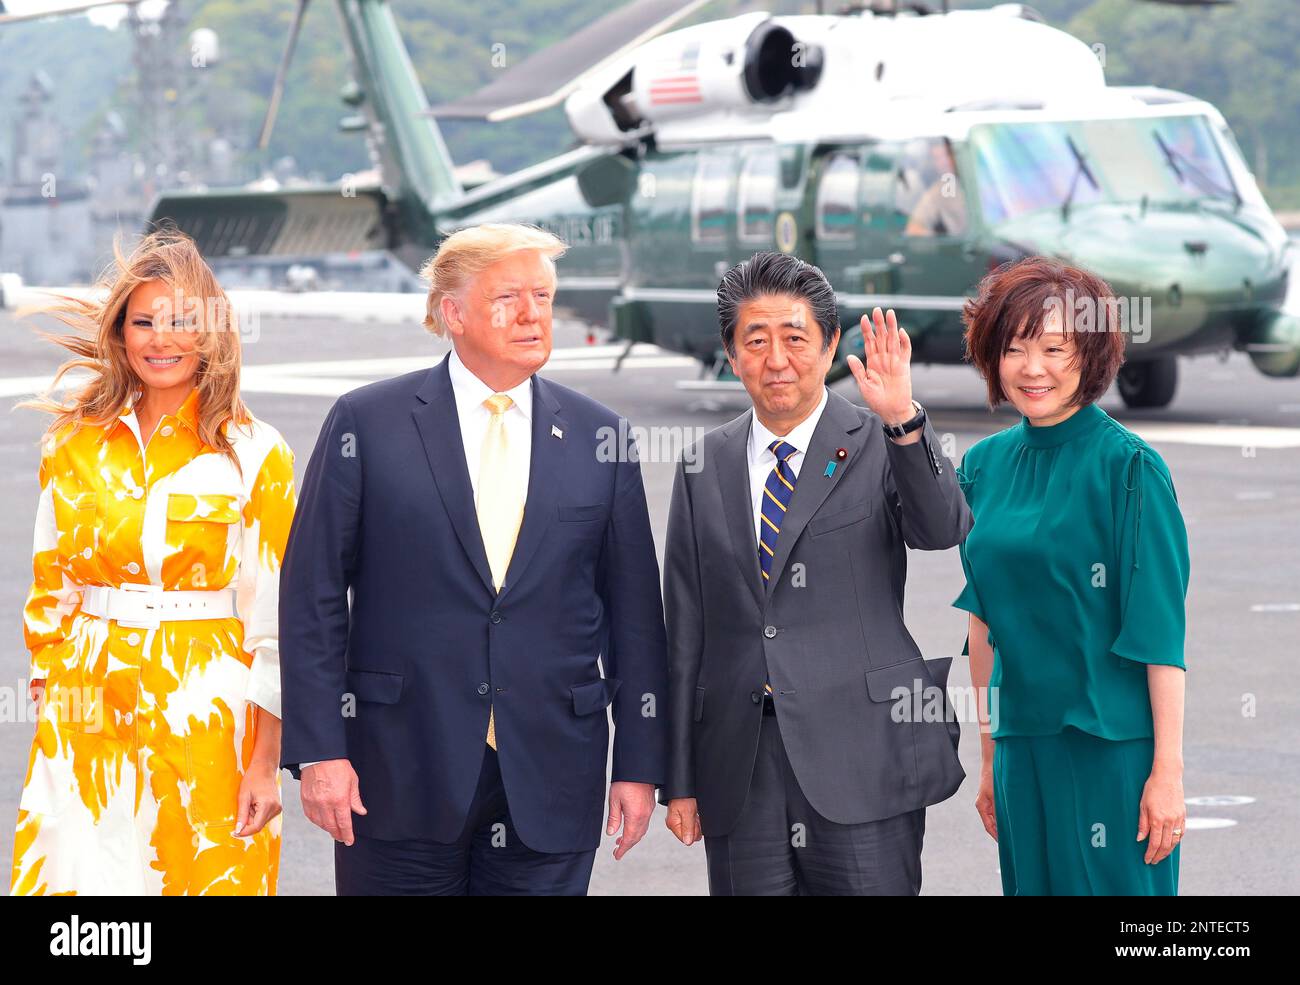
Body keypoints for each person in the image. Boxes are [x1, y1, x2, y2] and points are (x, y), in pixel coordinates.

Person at [279, 222, 668, 896]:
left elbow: (635, 617)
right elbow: (312, 596)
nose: (532, 315)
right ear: (451, 312)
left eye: (542, 297)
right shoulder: (366, 423)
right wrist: (320, 750)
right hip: (396, 775)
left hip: (552, 773)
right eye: (508, 297)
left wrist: (639, 762)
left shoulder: (601, 436)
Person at [661, 251, 970, 895]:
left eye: (795, 338)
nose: (777, 359)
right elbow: (684, 633)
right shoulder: (702, 465)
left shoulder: (878, 440)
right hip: (740, 769)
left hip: (862, 756)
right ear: (731, 352)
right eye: (756, 340)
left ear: (831, 344)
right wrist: (681, 780)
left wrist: (904, 422)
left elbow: (941, 530)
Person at [11, 230, 295, 895]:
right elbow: (51, 580)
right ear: (120, 332)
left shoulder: (254, 451)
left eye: (181, 321)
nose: (160, 339)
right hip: (86, 706)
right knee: (81, 894)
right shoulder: (71, 441)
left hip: (208, 714)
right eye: (143, 321)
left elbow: (278, 620)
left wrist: (265, 761)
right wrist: (52, 678)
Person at [955, 257, 1190, 896]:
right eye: (1014, 349)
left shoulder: (1130, 468)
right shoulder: (982, 467)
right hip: (1020, 748)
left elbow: (1160, 637)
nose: (1034, 369)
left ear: (1090, 354)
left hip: (1111, 748)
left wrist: (1166, 771)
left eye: (1055, 348)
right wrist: (987, 755)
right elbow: (983, 627)